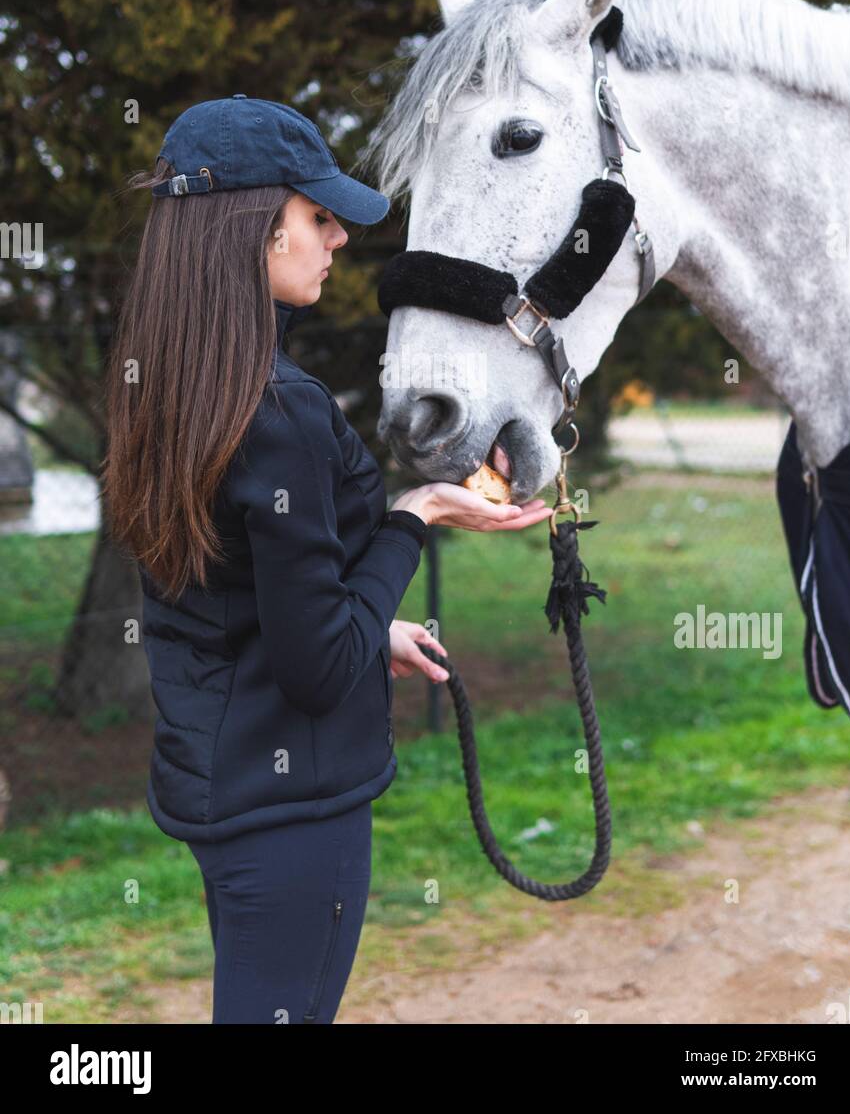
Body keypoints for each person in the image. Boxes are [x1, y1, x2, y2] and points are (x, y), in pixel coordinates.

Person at [101, 94, 554, 1024]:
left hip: (221, 795)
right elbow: (320, 670)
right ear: (252, 229)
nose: (339, 238)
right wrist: (416, 512)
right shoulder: (281, 410)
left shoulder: (173, 381)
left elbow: (238, 600)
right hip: (294, 815)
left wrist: (367, 621)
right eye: (316, 216)